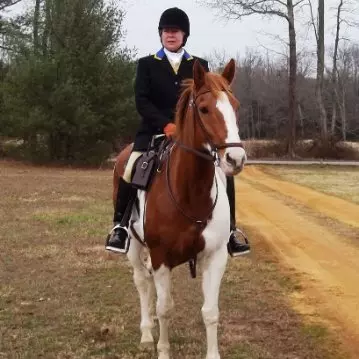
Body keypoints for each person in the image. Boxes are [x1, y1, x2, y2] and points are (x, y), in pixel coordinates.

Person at [105, 7, 250, 256]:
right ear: (160, 34)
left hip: (193, 137)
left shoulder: (199, 65)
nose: (170, 35)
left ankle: (231, 231)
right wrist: (166, 125)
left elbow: (209, 102)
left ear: (185, 35)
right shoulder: (147, 64)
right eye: (166, 31)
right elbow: (142, 102)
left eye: (176, 31)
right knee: (130, 166)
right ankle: (121, 226)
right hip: (154, 132)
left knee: (224, 173)